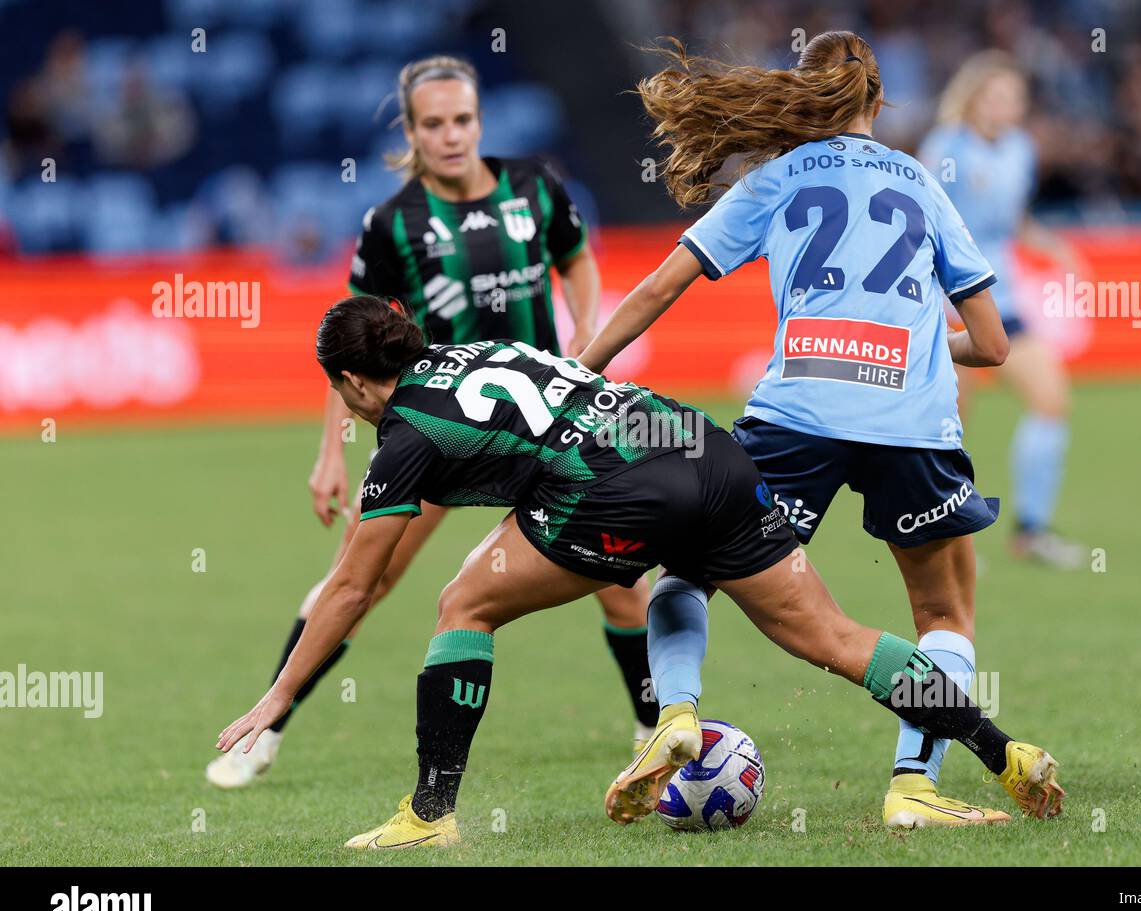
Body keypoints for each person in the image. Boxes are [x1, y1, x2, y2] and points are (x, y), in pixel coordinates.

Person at [215, 295, 1063, 849]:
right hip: (700, 446)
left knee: (460, 605)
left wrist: (279, 694)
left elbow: (356, 585)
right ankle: (1004, 753)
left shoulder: (402, 438)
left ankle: (429, 815)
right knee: (834, 636)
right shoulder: (486, 350)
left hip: (616, 492)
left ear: (353, 382)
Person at [578, 32, 1034, 828]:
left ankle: (676, 714)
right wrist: (918, 344)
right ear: (878, 101)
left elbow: (658, 287)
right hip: (913, 424)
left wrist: (580, 373)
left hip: (797, 419)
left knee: (688, 573)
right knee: (943, 615)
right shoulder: (923, 180)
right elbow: (993, 346)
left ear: (803, 95)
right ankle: (914, 789)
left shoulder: (775, 176)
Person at [205, 55, 654, 791]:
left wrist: (585, 338)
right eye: (435, 124)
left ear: (480, 120)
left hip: (537, 429)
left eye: (464, 121)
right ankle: (265, 732)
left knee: (620, 582)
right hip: (436, 436)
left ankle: (649, 723)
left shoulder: (537, 188)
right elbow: (349, 344)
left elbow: (576, 260)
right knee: (362, 579)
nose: (452, 136)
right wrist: (331, 453)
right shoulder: (392, 225)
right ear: (411, 132)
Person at [920, 51, 1086, 568]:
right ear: (972, 99)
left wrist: (1053, 246)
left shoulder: (1019, 150)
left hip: (1005, 298)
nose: (1005, 106)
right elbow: (917, 221)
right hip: (951, 299)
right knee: (950, 421)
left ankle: (1031, 530)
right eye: (995, 96)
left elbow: (1010, 220)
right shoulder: (945, 149)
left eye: (1013, 97)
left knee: (1051, 400)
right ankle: (943, 536)